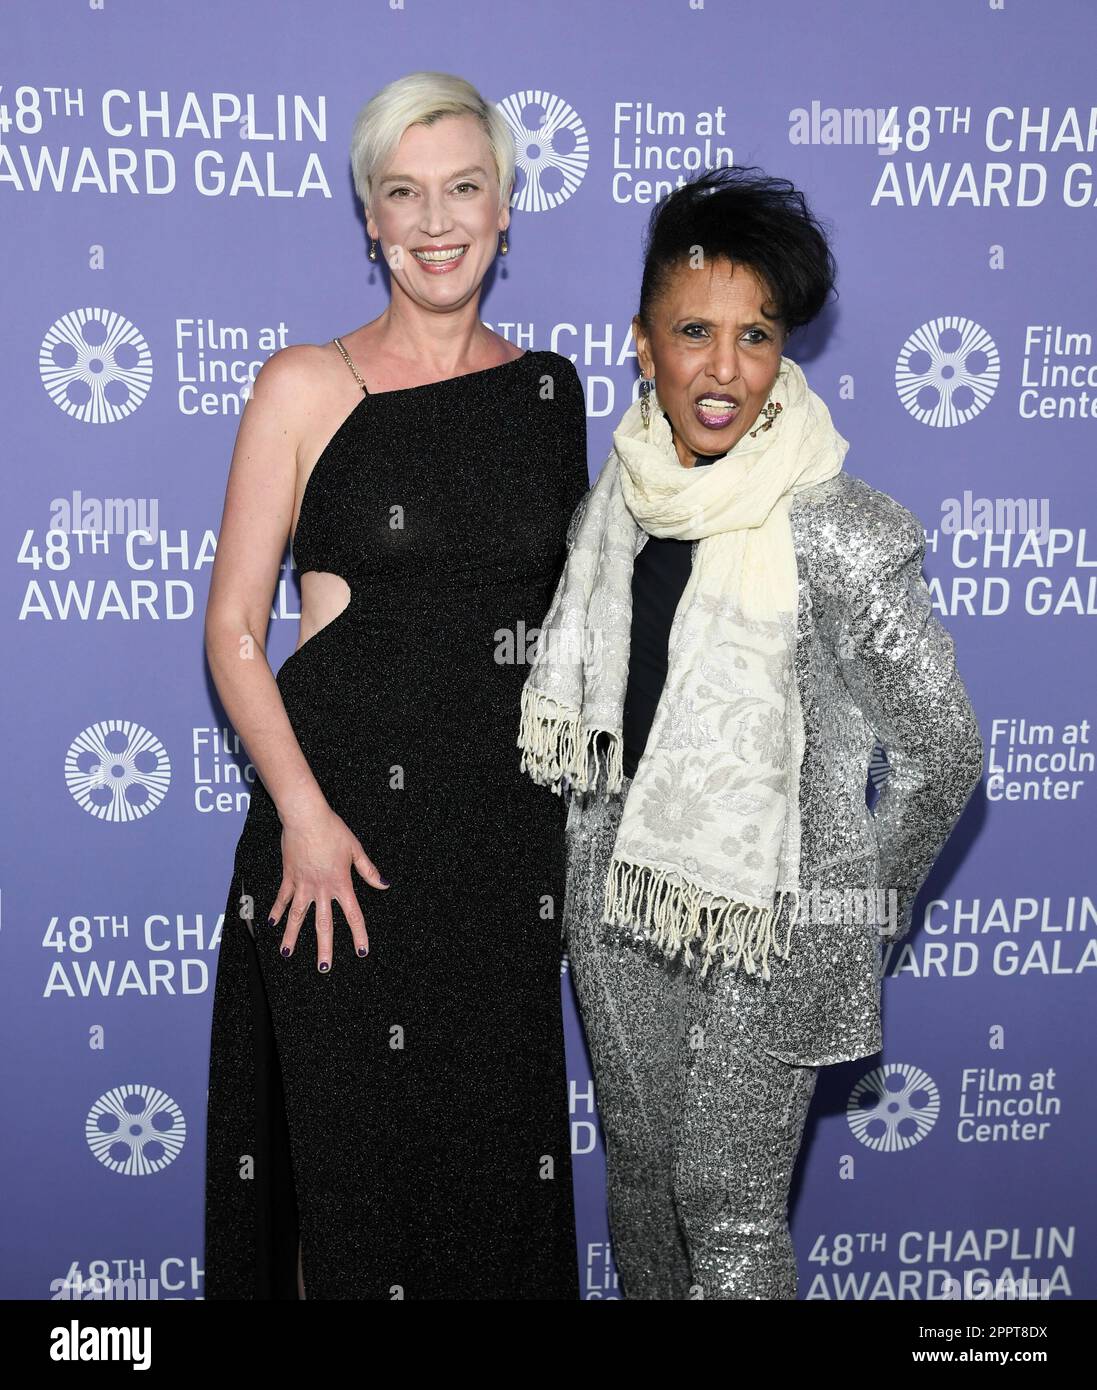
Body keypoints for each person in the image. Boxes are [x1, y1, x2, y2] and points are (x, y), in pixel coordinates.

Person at [518, 165, 984, 1300]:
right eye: (693, 331)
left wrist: (845, 912)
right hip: (619, 895)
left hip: (775, 917)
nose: (722, 369)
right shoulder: (614, 503)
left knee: (725, 1209)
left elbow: (944, 752)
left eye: (756, 335)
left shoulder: (836, 527)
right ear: (642, 344)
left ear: (783, 354)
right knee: (639, 1178)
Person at [203, 71, 588, 1300]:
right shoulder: (303, 384)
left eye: (464, 188)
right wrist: (305, 821)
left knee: (491, 1172)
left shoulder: (547, 394)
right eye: (404, 193)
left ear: (506, 210)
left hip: (501, 848)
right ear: (368, 217)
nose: (437, 220)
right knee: (349, 1172)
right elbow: (232, 633)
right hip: (339, 842)